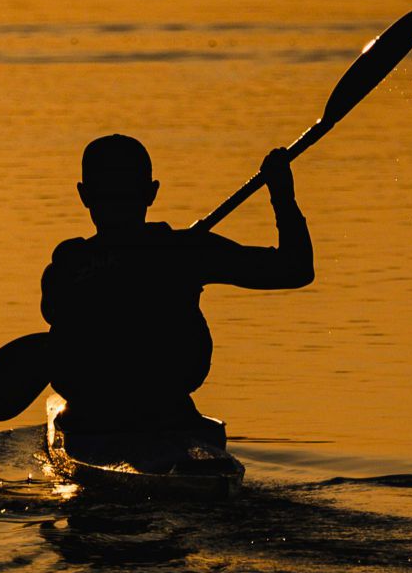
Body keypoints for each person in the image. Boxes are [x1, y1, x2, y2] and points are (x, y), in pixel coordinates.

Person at [41, 134, 314, 431]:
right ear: (150, 193)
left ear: (84, 195)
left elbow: (296, 271)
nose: (117, 203)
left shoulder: (72, 262)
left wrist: (282, 195)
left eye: (123, 193)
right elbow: (295, 267)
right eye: (111, 193)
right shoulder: (182, 251)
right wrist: (282, 195)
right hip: (144, 406)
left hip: (108, 410)